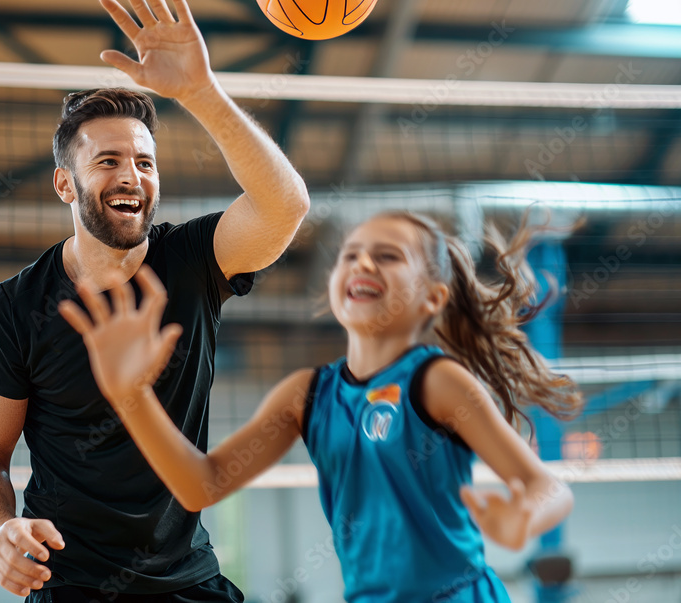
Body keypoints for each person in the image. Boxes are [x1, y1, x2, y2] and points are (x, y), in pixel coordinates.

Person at [0, 0, 310, 601]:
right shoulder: (14, 307)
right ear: (66, 185)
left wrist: (201, 92)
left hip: (188, 581)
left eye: (145, 162)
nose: (132, 176)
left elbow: (285, 207)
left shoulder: (194, 260)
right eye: (108, 162)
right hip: (70, 583)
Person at [60, 211, 584, 602]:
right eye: (351, 253)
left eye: (389, 255)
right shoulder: (305, 394)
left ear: (433, 298)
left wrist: (521, 517)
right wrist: (130, 396)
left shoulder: (437, 381)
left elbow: (549, 488)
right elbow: (202, 483)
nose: (362, 262)